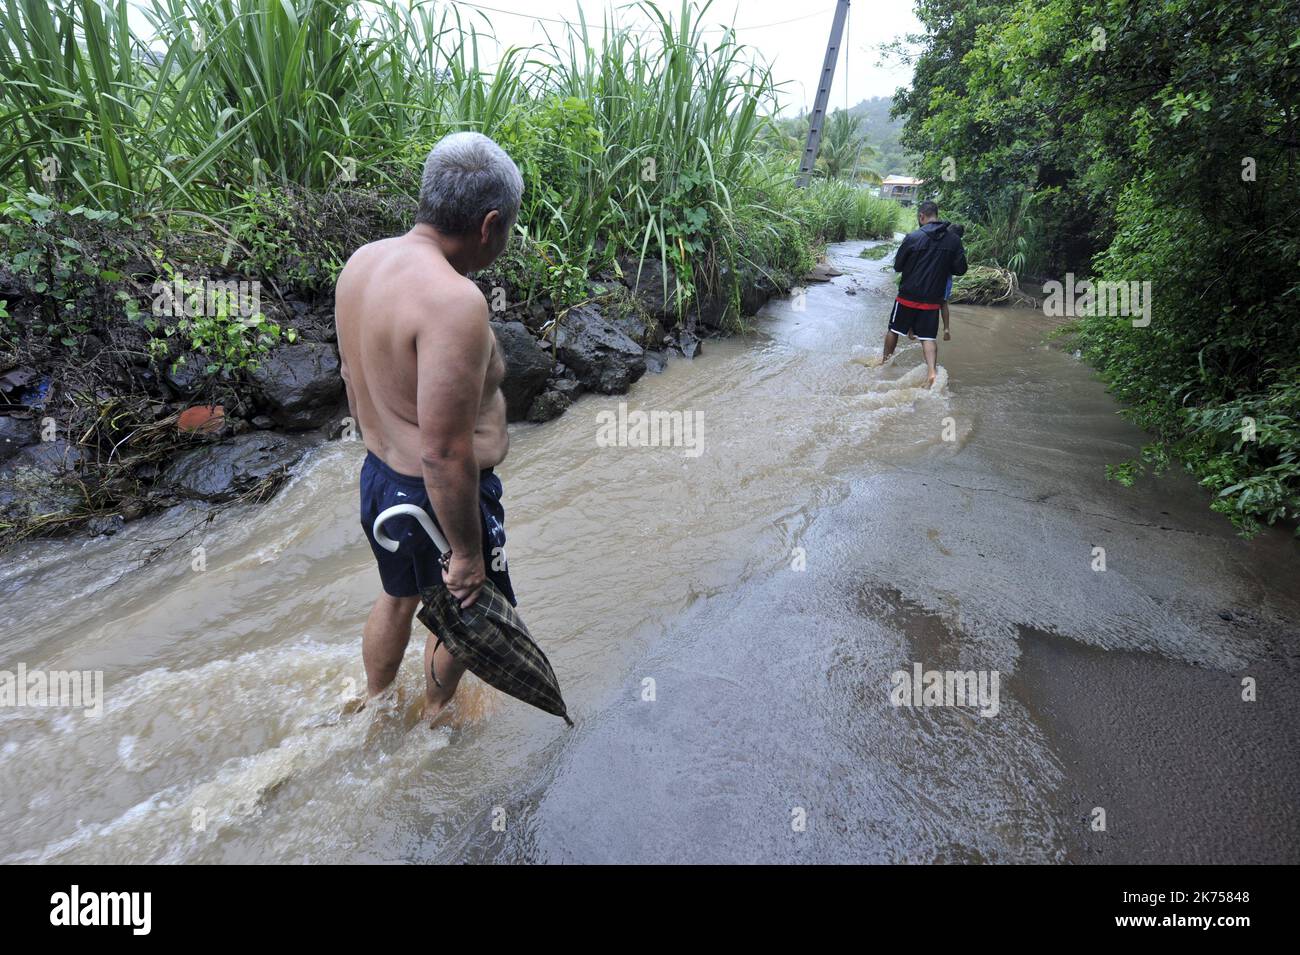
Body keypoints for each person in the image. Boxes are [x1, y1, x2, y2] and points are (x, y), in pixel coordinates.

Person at [334, 131, 524, 723]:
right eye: (508, 231)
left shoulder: (363, 263)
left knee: (398, 596)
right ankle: (437, 718)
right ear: (490, 224)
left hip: (380, 480)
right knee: (466, 608)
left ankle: (375, 705)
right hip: (432, 497)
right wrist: (466, 552)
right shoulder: (454, 300)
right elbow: (444, 451)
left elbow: (350, 375)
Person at [883, 200, 967, 387]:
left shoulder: (913, 237)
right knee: (928, 338)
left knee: (894, 330)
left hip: (907, 297)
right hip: (932, 300)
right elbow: (960, 269)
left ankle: (885, 363)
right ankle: (931, 372)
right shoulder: (954, 241)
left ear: (922, 216)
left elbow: (898, 266)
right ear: (936, 214)